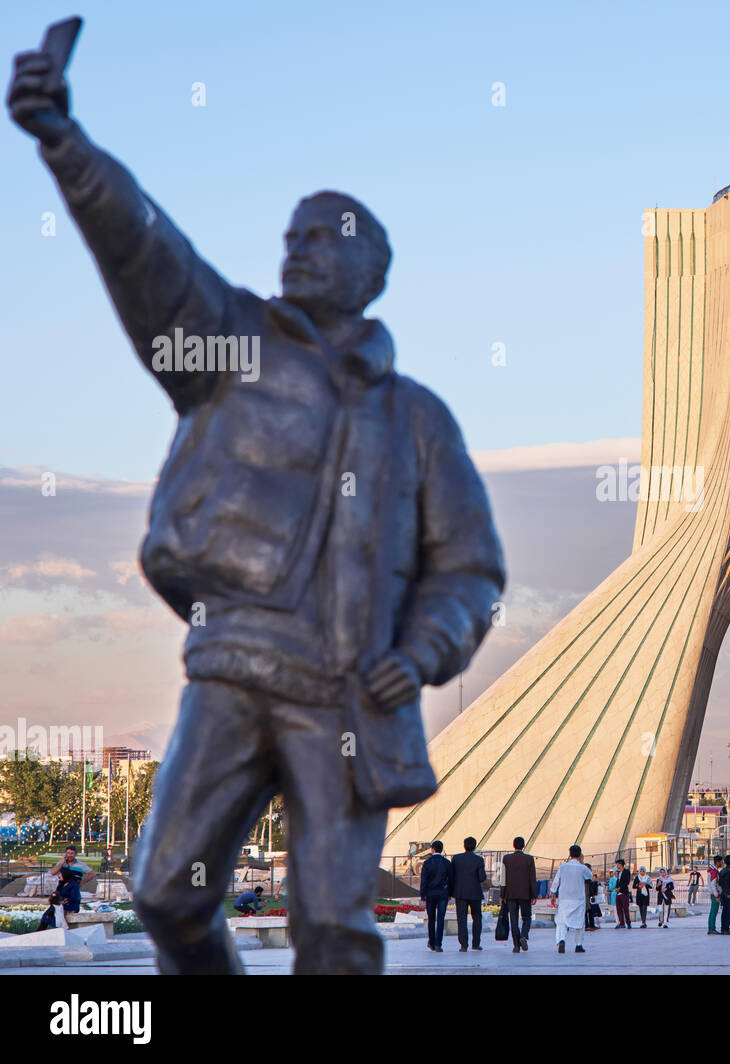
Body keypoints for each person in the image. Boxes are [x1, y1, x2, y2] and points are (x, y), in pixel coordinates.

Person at [7, 35, 508, 977]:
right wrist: (63, 141)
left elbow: (472, 571)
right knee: (164, 893)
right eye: (291, 236)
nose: (298, 250)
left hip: (352, 693)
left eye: (323, 235)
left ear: (374, 269)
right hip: (236, 665)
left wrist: (422, 651)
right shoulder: (231, 346)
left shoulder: (418, 420)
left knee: (334, 930)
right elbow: (146, 251)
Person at [552, 845, 592, 954]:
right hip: (578, 899)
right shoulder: (582, 868)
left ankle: (561, 939)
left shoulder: (563, 867)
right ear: (580, 855)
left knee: (562, 921)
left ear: (569, 854)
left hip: (564, 898)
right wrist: (582, 863)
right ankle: (578, 945)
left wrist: (552, 893)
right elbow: (590, 875)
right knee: (579, 922)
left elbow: (556, 881)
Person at [501, 836, 537, 953]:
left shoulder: (506, 859)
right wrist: (534, 895)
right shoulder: (529, 859)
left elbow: (503, 878)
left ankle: (516, 946)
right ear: (523, 846)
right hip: (525, 894)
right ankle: (523, 936)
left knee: (514, 920)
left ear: (513, 845)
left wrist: (502, 894)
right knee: (527, 917)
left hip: (510, 894)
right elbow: (532, 878)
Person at [451, 837, 486, 952]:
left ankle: (463, 945)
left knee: (461, 919)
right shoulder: (479, 860)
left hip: (460, 893)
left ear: (464, 845)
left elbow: (452, 876)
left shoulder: (456, 858)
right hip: (475, 893)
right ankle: (476, 944)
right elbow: (482, 878)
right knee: (477, 918)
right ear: (475, 846)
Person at [419, 840, 452, 952]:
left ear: (432, 849)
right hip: (443, 894)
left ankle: (431, 943)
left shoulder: (427, 863)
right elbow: (451, 880)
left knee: (431, 919)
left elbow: (423, 881)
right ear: (441, 849)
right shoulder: (447, 863)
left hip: (430, 894)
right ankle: (438, 944)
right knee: (441, 919)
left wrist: (423, 896)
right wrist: (450, 894)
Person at [706, 855, 723, 934]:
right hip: (714, 894)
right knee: (714, 911)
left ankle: (711, 927)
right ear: (718, 862)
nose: (722, 863)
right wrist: (716, 895)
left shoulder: (711, 870)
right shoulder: (714, 872)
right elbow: (713, 884)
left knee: (713, 911)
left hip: (713, 893)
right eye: (721, 862)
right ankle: (712, 928)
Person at [614, 859, 632, 929]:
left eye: (617, 864)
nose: (617, 866)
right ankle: (621, 923)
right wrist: (616, 887)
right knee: (619, 909)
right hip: (618, 893)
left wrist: (620, 888)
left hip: (624, 893)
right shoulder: (618, 873)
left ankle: (628, 923)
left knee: (625, 909)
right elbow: (618, 881)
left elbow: (626, 882)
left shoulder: (626, 872)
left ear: (621, 864)